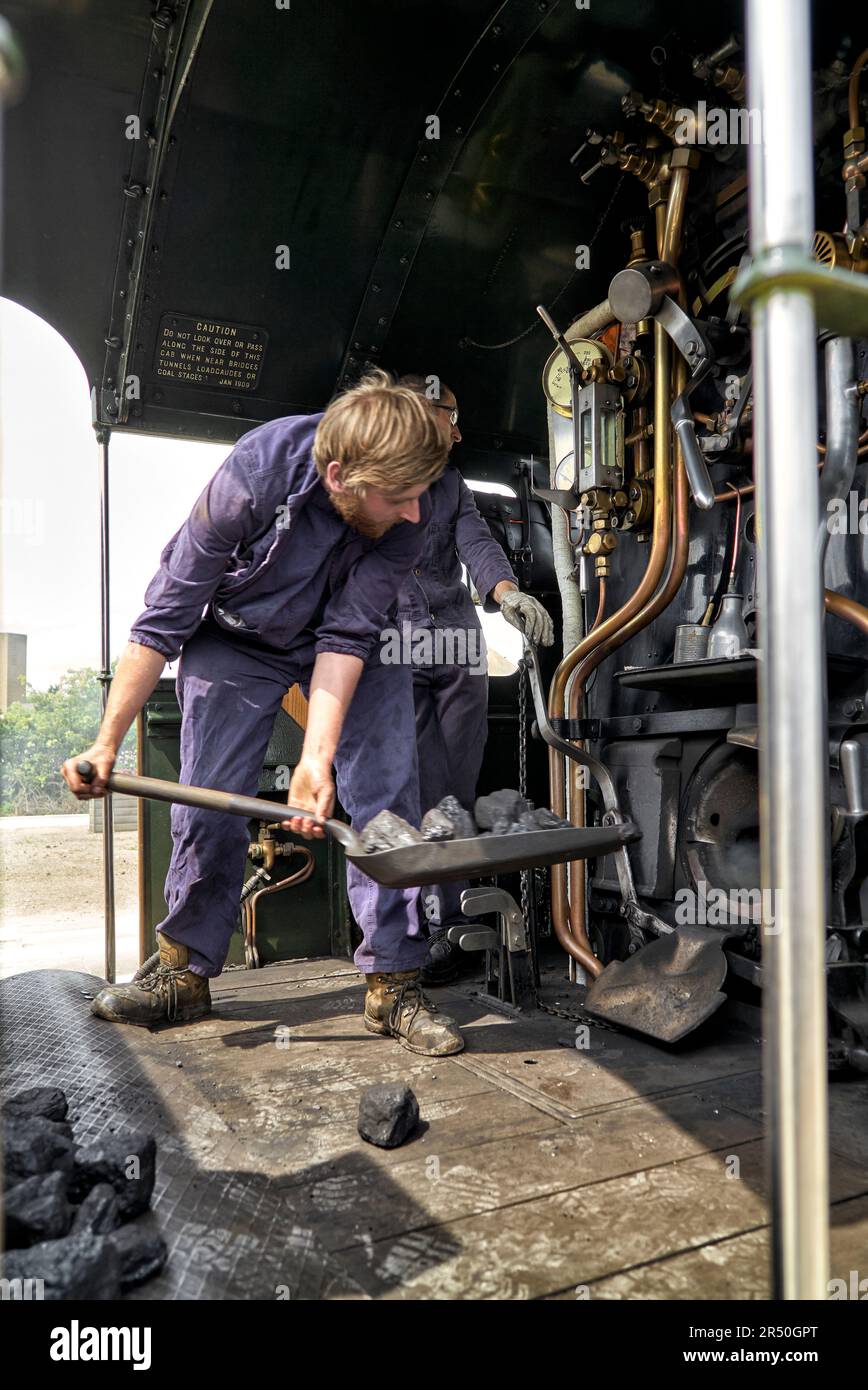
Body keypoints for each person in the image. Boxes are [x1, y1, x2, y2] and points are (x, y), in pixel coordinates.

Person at [62, 371, 468, 1057]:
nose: (413, 514)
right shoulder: (254, 476)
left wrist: (316, 760)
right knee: (207, 797)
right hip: (237, 639)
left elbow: (347, 636)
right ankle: (184, 974)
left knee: (387, 795)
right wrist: (106, 743)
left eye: (419, 495)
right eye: (397, 497)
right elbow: (162, 621)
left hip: (355, 646)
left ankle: (394, 983)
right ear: (339, 477)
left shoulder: (410, 510)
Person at [395, 375, 554, 984]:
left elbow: (478, 544)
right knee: (415, 786)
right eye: (451, 415)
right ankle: (415, 928)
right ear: (418, 411)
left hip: (459, 646)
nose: (458, 432)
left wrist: (507, 593)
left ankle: (452, 925)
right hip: (396, 648)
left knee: (456, 788)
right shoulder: (374, 477)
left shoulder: (452, 485)